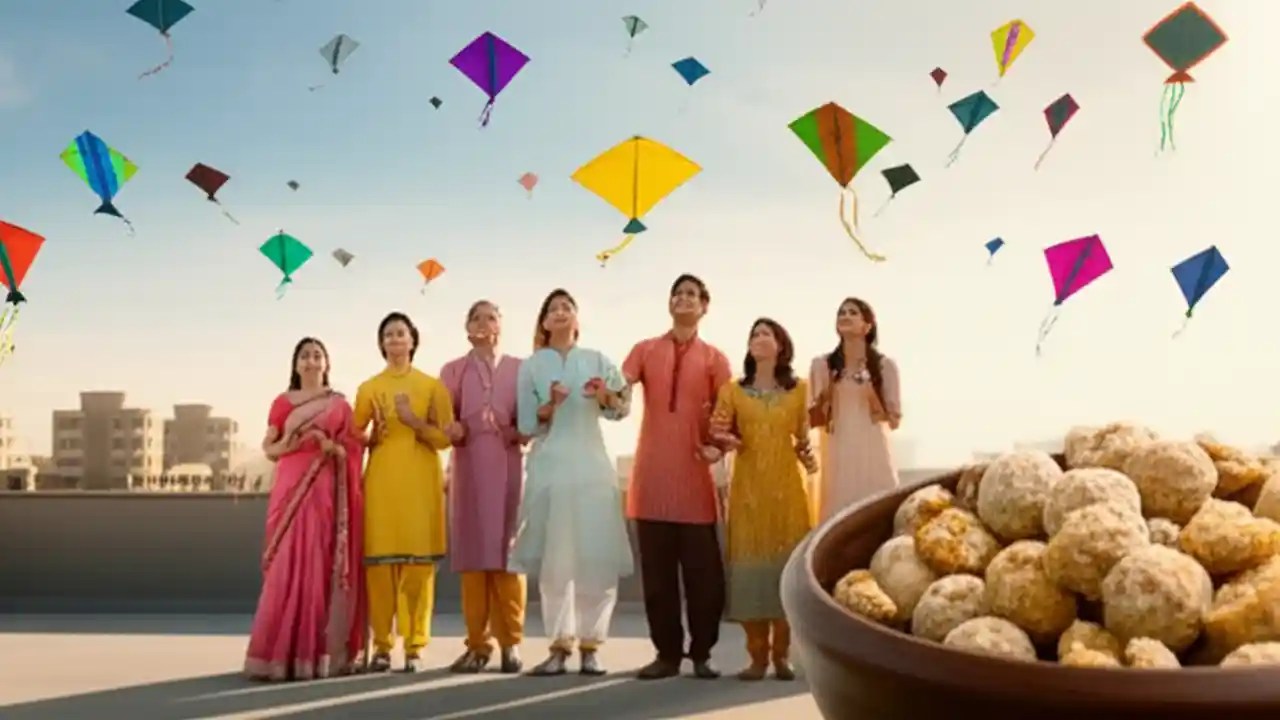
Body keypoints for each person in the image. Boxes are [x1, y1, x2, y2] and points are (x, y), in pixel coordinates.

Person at [512, 288, 635, 677]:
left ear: (577, 320)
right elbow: (527, 425)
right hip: (552, 469)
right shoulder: (531, 366)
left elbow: (622, 407)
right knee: (556, 561)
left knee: (595, 558)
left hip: (592, 468)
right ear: (544, 323)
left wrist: (604, 396)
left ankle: (591, 645)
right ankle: (558, 646)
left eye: (567, 307)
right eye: (553, 309)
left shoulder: (597, 359)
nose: (561, 313)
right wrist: (550, 405)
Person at [622, 274, 732, 680]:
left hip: (695, 483)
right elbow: (620, 388)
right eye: (678, 293)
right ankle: (666, 655)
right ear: (669, 303)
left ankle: (702, 653)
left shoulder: (715, 359)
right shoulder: (645, 349)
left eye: (692, 295)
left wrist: (716, 449)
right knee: (657, 578)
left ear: (704, 306)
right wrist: (603, 390)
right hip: (651, 479)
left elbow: (726, 417)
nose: (683, 299)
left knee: (706, 578)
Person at [244, 337, 367, 681]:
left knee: (318, 561)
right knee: (286, 563)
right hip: (291, 483)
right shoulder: (282, 402)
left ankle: (316, 655)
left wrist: (336, 448)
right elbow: (270, 447)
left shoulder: (339, 405)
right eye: (305, 356)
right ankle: (276, 654)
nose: (311, 361)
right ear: (296, 365)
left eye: (317, 355)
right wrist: (299, 441)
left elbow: (353, 444)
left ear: (327, 363)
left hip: (325, 487)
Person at [710, 318, 815, 682]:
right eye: (753, 334)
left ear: (781, 346)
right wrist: (727, 439)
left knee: (786, 569)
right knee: (750, 571)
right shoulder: (733, 390)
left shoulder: (800, 390)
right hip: (749, 489)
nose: (758, 339)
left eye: (765, 334)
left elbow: (803, 437)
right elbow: (717, 427)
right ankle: (756, 657)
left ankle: (782, 655)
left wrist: (809, 456)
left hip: (787, 488)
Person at [353, 312, 455, 673]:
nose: (396, 340)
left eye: (401, 333)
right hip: (381, 481)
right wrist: (375, 434)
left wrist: (414, 422)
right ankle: (381, 645)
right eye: (389, 334)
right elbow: (355, 436)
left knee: (417, 568)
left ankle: (414, 646)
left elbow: (445, 437)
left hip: (421, 482)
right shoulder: (368, 388)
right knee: (380, 569)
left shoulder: (432, 387)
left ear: (413, 341)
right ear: (381, 344)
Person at [440, 300, 528, 674]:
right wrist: (454, 429)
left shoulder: (520, 370)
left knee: (509, 557)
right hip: (469, 469)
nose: (482, 322)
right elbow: (445, 419)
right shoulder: (453, 370)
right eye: (474, 316)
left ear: (500, 325)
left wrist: (515, 429)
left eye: (490, 316)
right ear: (466, 327)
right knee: (474, 559)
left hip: (507, 467)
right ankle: (477, 644)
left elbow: (530, 420)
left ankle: (511, 643)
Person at [807, 297, 902, 524]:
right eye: (841, 313)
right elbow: (814, 419)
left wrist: (869, 389)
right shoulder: (822, 365)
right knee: (837, 518)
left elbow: (893, 421)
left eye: (853, 312)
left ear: (867, 326)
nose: (845, 316)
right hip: (838, 450)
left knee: (878, 516)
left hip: (873, 449)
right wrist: (827, 392)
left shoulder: (884, 366)